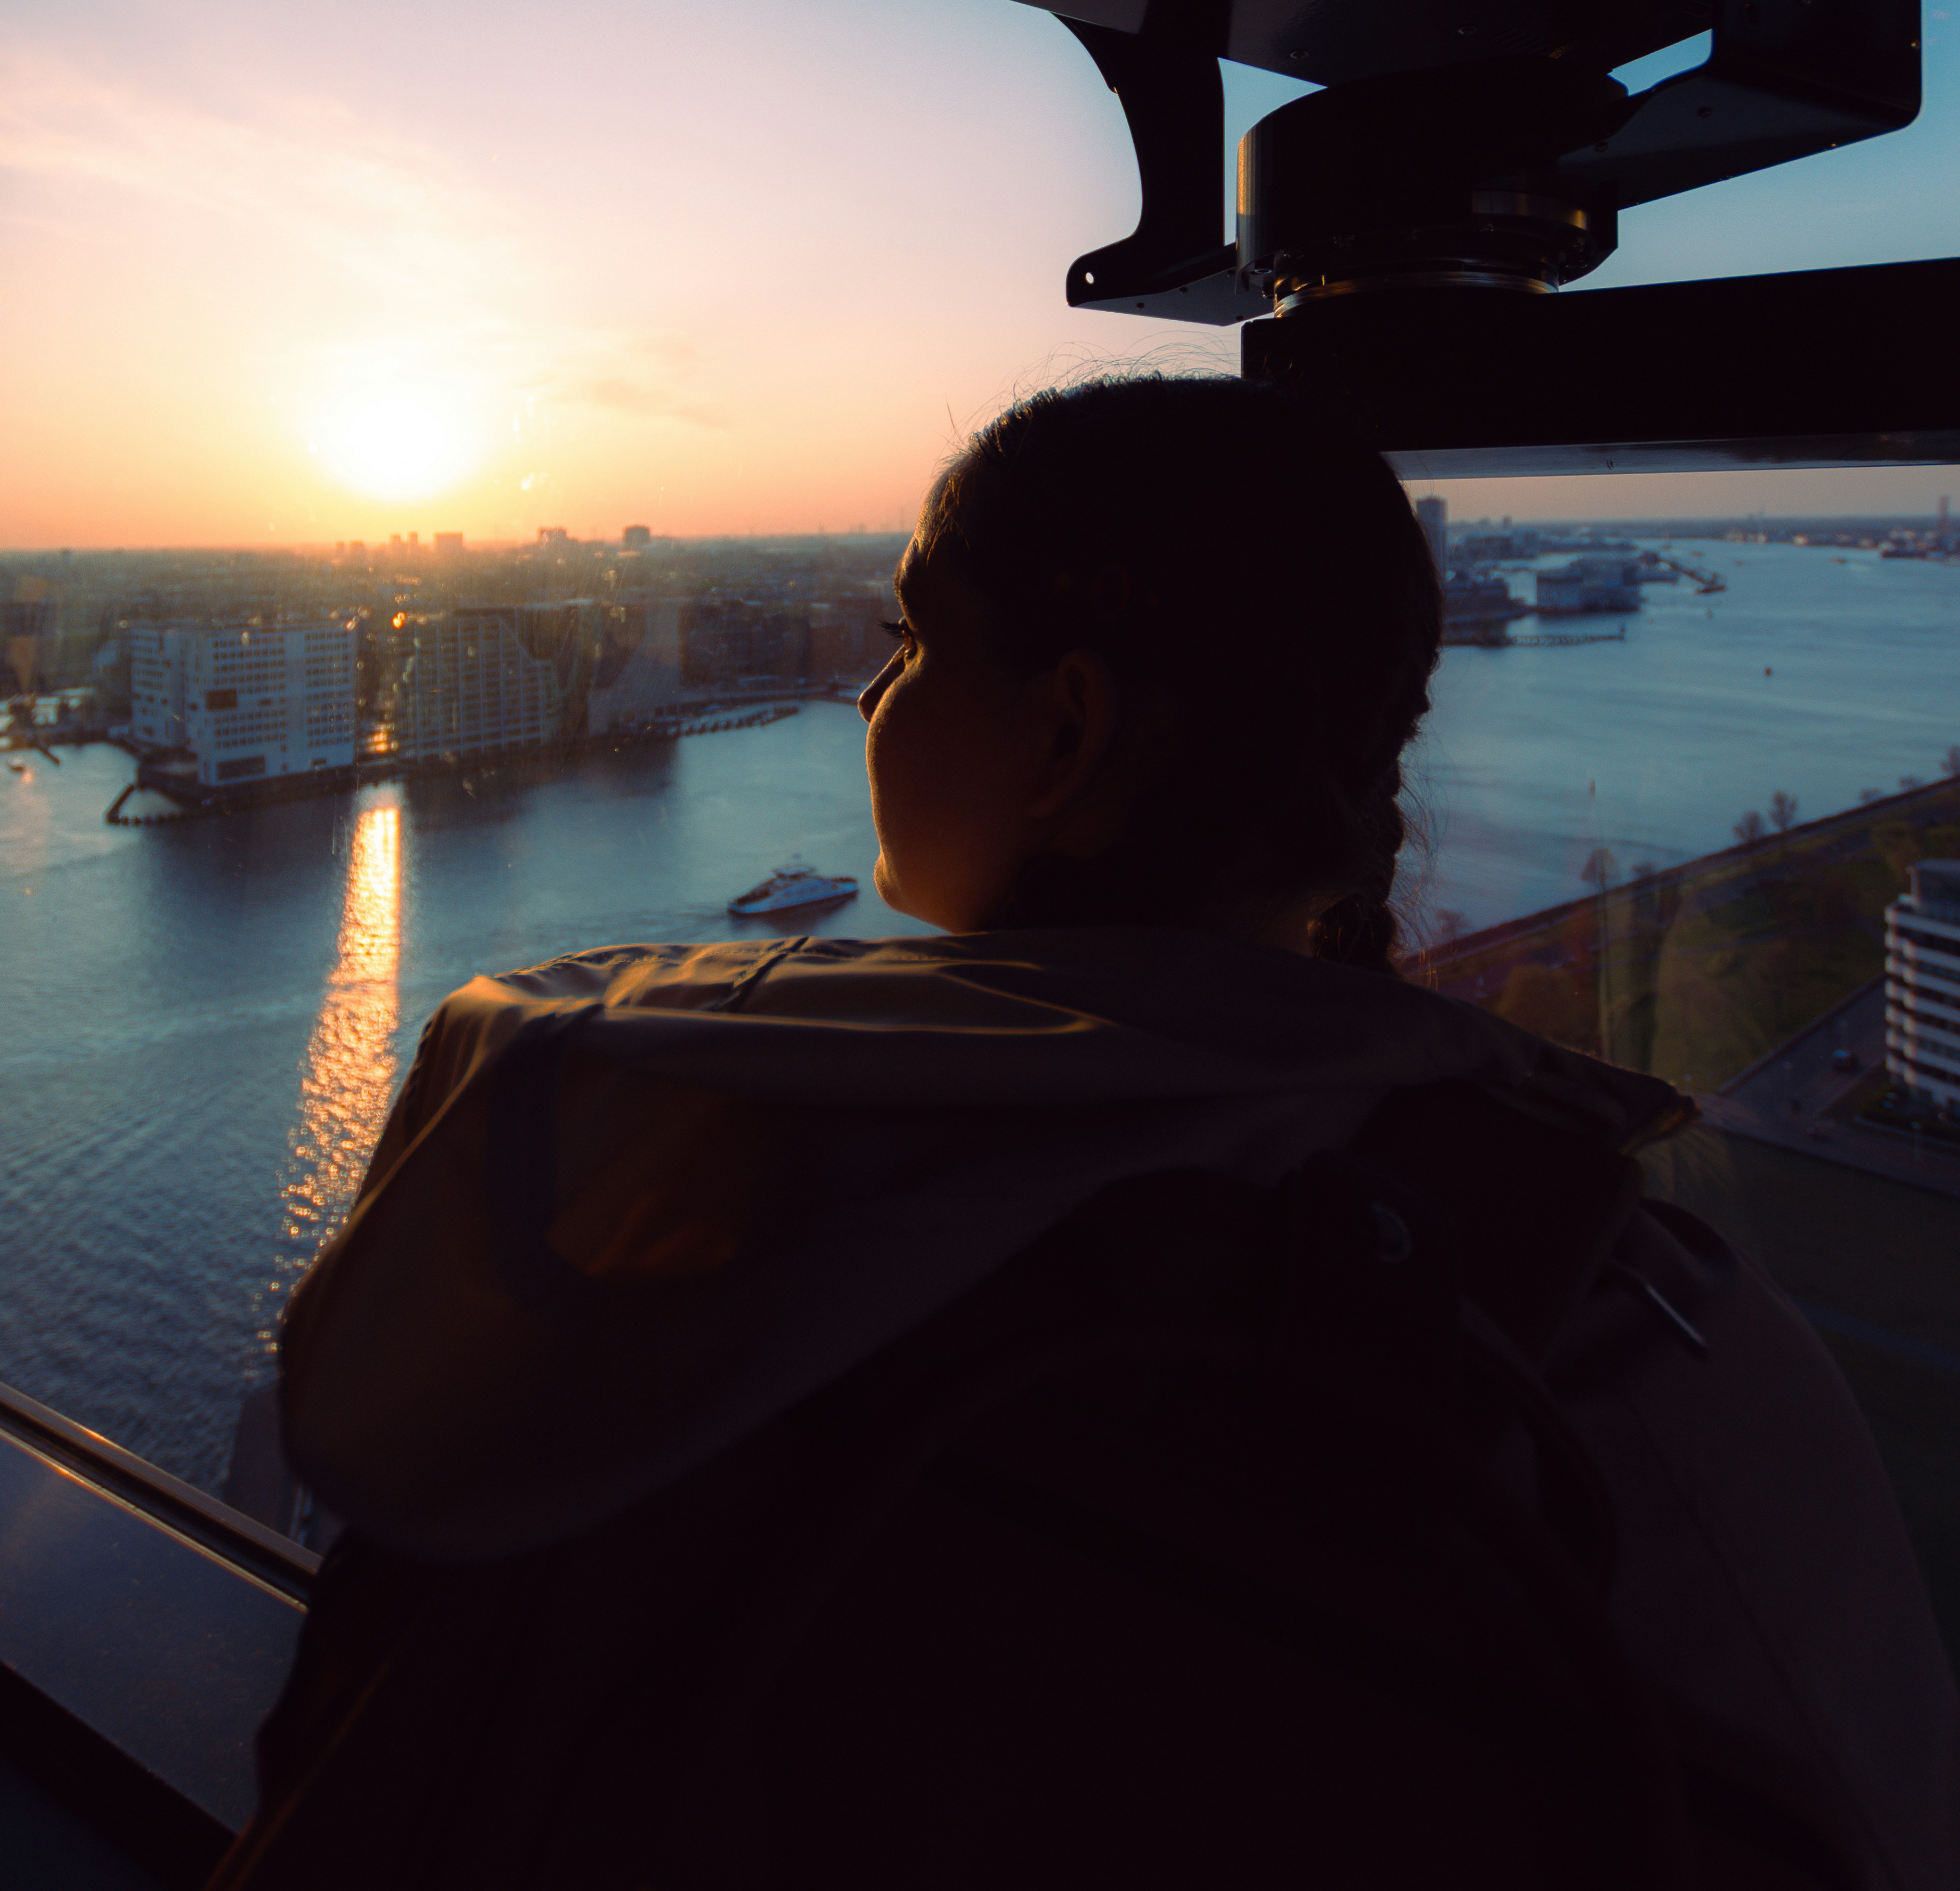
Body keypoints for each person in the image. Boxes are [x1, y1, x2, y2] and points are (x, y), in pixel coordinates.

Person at [219, 376, 1956, 1890]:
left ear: (1065, 729)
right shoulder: (1644, 1354)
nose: (867, 697)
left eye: (911, 641)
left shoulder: (632, 1173)